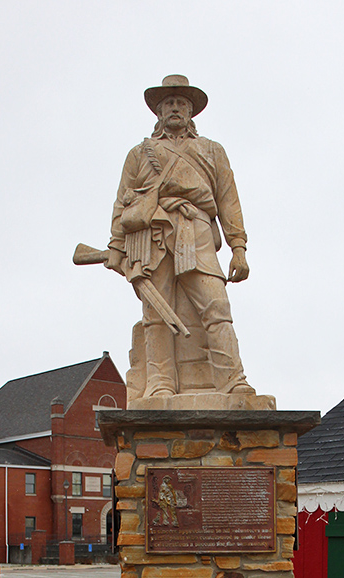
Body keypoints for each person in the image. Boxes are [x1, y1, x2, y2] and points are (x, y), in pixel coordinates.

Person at [106, 75, 258, 403]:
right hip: (153, 236)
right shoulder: (139, 154)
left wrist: (238, 249)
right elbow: (122, 201)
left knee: (216, 305)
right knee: (156, 314)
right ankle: (160, 383)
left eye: (181, 104)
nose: (175, 109)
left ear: (191, 112)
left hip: (198, 231)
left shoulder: (212, 151)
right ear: (158, 113)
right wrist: (116, 247)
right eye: (169, 104)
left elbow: (229, 200)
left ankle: (232, 380)